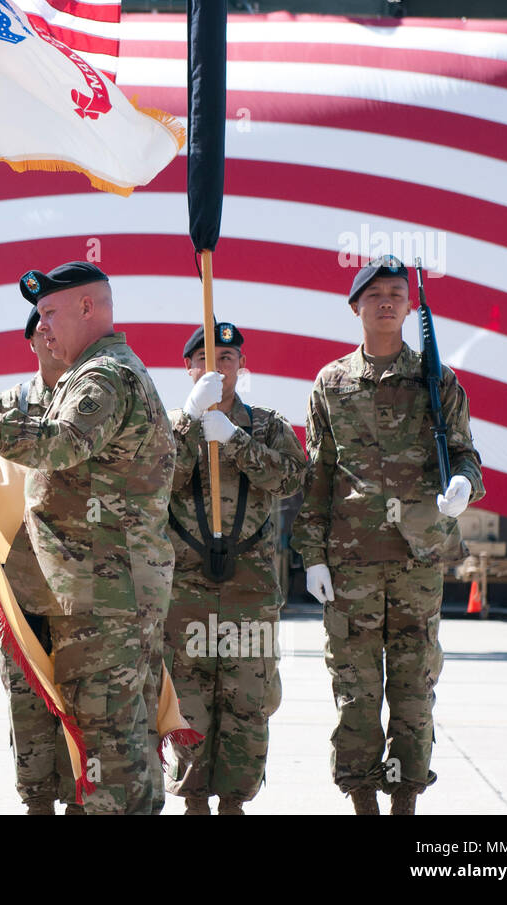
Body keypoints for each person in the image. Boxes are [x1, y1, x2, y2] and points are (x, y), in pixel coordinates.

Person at [0, 262, 175, 815]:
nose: (41, 326)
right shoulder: (83, 376)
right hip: (101, 589)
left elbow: (62, 442)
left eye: (49, 313)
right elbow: (27, 415)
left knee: (109, 742)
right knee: (117, 735)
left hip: (106, 592)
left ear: (88, 309)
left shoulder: (105, 377)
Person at [291, 255, 483, 815]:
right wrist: (313, 557)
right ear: (356, 307)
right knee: (355, 692)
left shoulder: (436, 379)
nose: (386, 301)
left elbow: (467, 455)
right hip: (350, 563)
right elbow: (317, 475)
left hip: (416, 560)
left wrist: (464, 487)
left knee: (414, 689)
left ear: (409, 305)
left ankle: (405, 803)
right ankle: (362, 802)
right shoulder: (332, 383)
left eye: (397, 293)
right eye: (374, 294)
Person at [163, 323, 305, 814]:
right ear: (188, 368)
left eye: (226, 358)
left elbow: (289, 478)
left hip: (250, 593)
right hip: (186, 593)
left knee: (248, 702)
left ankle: (234, 803)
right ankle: (194, 802)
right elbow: (158, 480)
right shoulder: (169, 427)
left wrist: (236, 440)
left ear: (241, 367)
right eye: (204, 358)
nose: (216, 368)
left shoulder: (266, 426)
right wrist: (190, 421)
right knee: (188, 704)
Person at [0, 307, 77, 815]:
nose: (49, 337)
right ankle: (38, 803)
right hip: (23, 590)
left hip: (83, 591)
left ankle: (79, 804)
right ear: (29, 342)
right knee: (28, 709)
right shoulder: (6, 408)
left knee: (85, 711)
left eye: (55, 327)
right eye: (39, 331)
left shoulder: (96, 401)